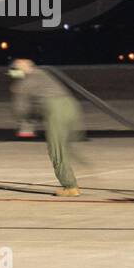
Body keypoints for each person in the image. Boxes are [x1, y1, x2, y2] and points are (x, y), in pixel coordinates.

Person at [8, 58, 83, 196]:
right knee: (65, 146)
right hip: (71, 106)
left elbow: (20, 109)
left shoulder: (25, 83)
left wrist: (25, 126)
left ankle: (70, 187)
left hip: (55, 109)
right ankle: (76, 167)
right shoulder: (43, 74)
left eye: (14, 70)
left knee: (56, 149)